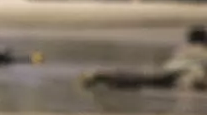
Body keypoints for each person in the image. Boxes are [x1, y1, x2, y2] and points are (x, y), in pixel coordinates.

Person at [79, 26, 207, 92]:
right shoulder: (201, 51)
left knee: (140, 80)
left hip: (168, 71)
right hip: (175, 75)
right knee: (141, 81)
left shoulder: (183, 48)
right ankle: (103, 77)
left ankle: (102, 76)